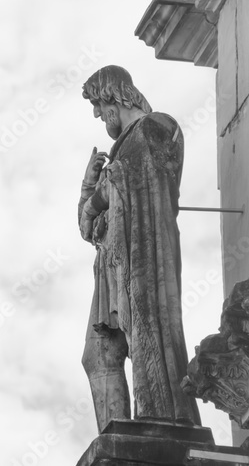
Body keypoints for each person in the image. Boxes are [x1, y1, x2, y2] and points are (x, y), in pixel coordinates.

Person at [77, 66, 200, 432]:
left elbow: (127, 184)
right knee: (97, 355)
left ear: (115, 95)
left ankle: (156, 418)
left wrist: (96, 197)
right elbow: (88, 228)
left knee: (144, 336)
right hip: (112, 262)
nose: (99, 115)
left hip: (141, 255)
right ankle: (115, 436)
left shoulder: (155, 127)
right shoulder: (122, 149)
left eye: (99, 105)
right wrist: (88, 188)